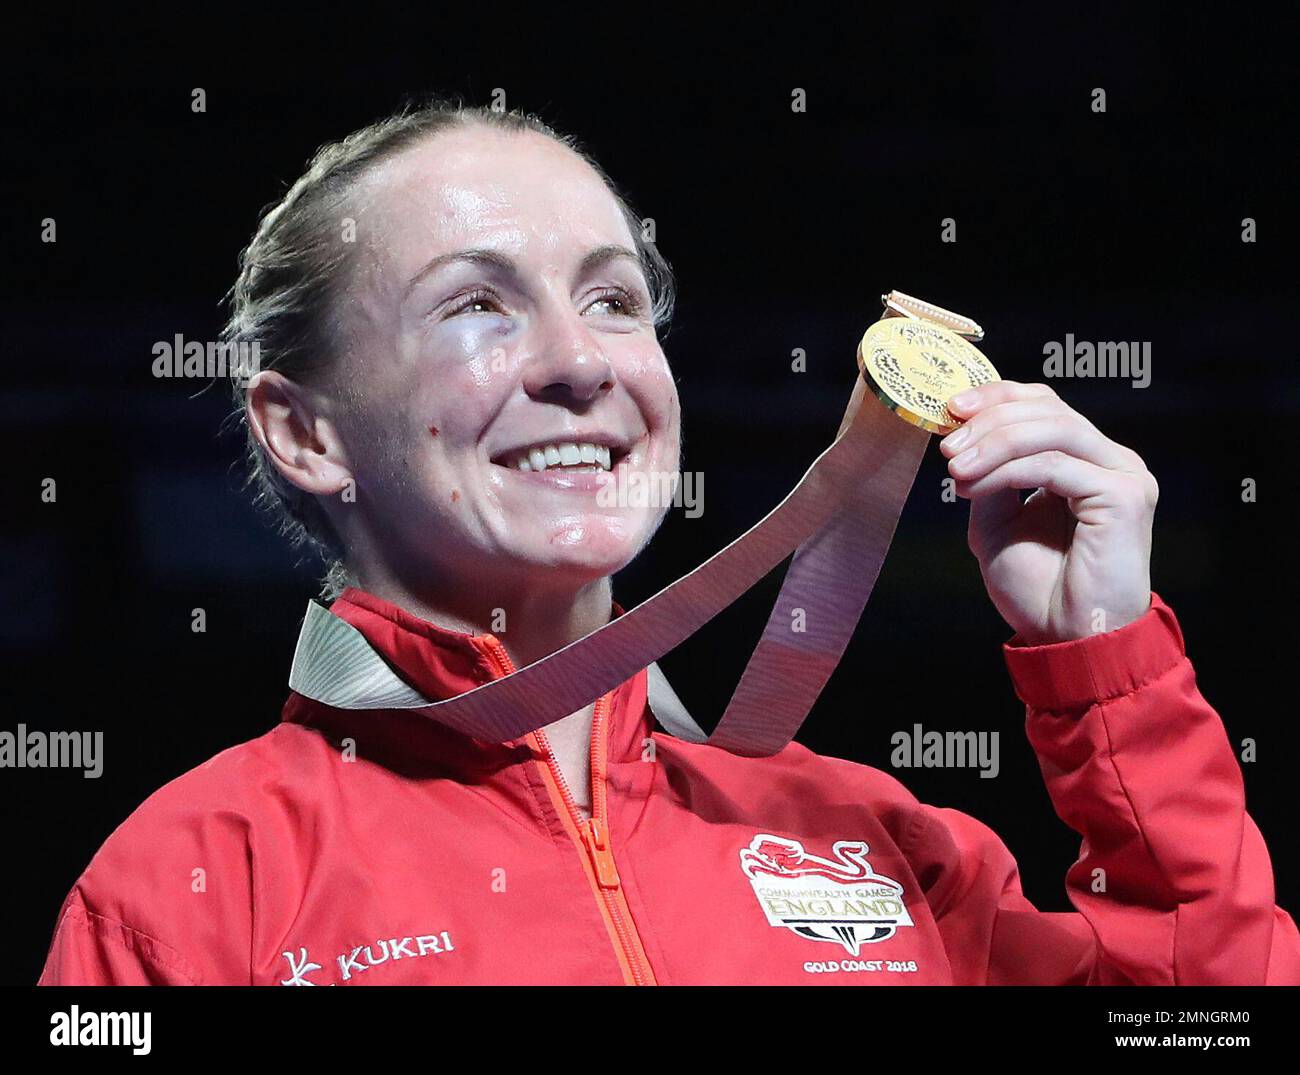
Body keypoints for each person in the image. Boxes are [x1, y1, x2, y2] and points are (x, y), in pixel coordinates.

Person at [38, 100, 1300, 985]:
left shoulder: (879, 844)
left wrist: (1104, 664)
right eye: (477, 304)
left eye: (613, 300)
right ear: (306, 433)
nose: (582, 361)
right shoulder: (189, 889)